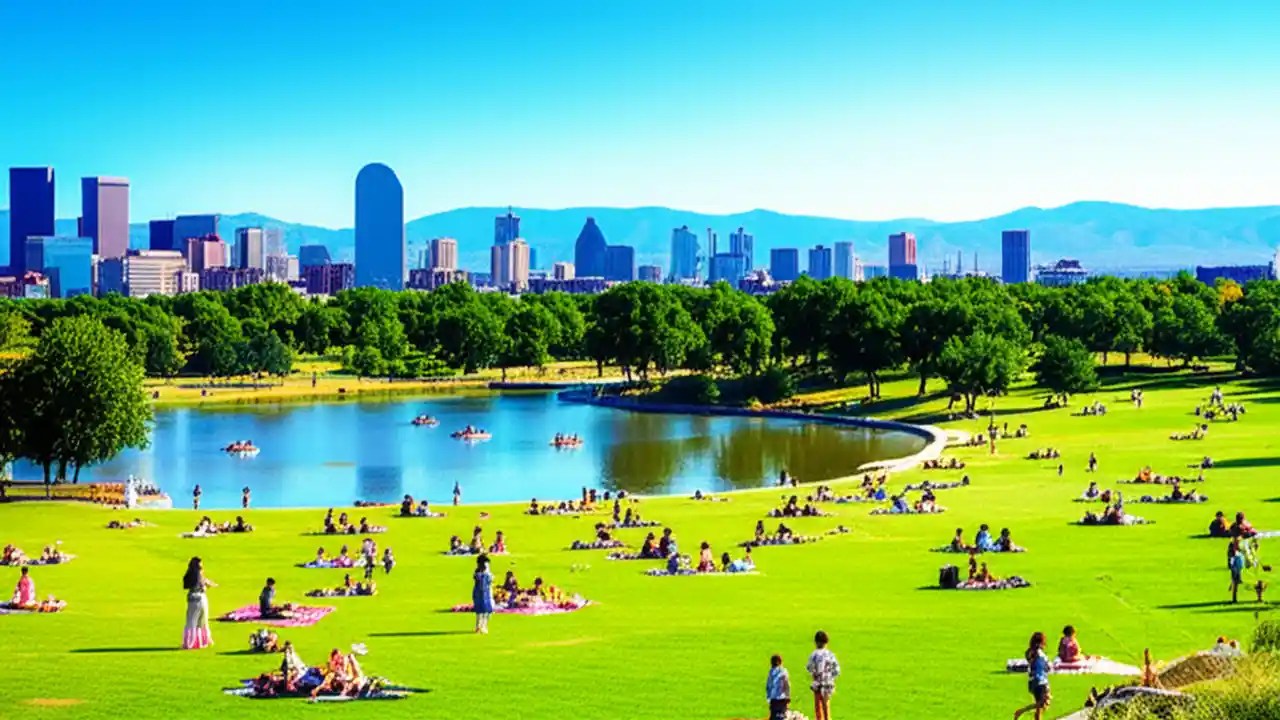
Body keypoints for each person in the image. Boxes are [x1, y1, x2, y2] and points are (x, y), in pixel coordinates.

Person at [1014, 631, 1051, 719]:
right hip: (1041, 680)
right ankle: (1021, 711)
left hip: (1033, 680)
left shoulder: (1030, 652)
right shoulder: (1039, 653)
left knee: (1039, 707)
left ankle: (1025, 713)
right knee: (1043, 703)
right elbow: (1045, 666)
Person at [182, 557, 216, 650]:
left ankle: (190, 642)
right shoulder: (199, 575)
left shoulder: (189, 575)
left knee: (191, 622)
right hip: (201, 599)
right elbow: (204, 584)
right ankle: (202, 641)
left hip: (192, 599)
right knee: (202, 622)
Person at [806, 630, 840, 720]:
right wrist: (830, 677)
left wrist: (815, 675)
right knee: (826, 706)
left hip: (817, 683)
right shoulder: (830, 654)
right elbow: (836, 670)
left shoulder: (814, 654)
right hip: (828, 683)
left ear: (816, 642)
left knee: (818, 707)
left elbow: (810, 668)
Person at [472, 554, 493, 634]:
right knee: (481, 610)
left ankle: (483, 626)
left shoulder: (485, 572)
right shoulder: (479, 573)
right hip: (481, 593)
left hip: (485, 593)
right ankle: (479, 626)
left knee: (486, 610)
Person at [766, 653, 791, 720]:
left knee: (773, 715)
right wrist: (788, 696)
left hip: (773, 699)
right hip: (783, 699)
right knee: (782, 715)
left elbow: (768, 686)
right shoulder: (784, 671)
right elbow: (787, 685)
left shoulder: (771, 672)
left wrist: (768, 697)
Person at [1229, 538, 1246, 603]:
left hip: (1239, 568)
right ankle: (1234, 599)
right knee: (1235, 583)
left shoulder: (1240, 551)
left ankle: (1234, 598)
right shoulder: (1233, 553)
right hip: (1235, 568)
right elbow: (1231, 561)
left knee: (1236, 583)